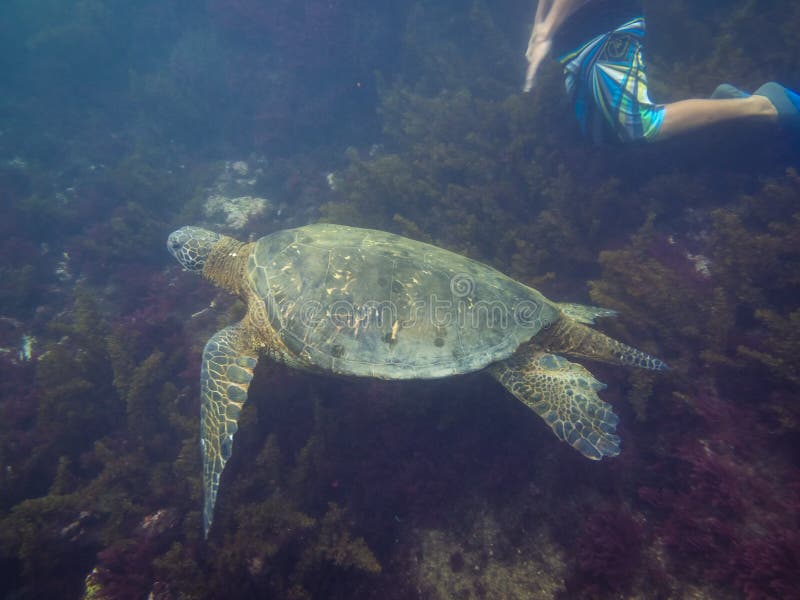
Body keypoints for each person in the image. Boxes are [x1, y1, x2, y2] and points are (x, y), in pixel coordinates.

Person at [523, 0, 800, 144]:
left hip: (603, 27)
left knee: (639, 126)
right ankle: (718, 114)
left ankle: (762, 106)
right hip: (574, 38)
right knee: (599, 136)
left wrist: (546, 30)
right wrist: (539, 28)